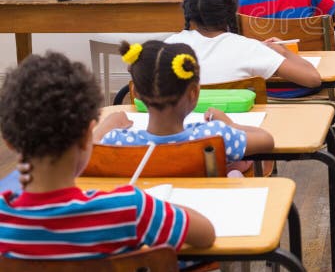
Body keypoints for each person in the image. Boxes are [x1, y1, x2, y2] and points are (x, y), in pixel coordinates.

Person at [0, 52, 215, 259]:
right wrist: (155, 205)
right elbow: (206, 234)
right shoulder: (130, 208)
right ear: (87, 135)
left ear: (9, 141)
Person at [95, 40, 274, 177]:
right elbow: (267, 140)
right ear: (194, 93)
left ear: (135, 93)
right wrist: (230, 124)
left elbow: (87, 151)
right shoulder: (216, 136)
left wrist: (105, 126)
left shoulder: (115, 141)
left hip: (148, 220)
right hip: (205, 216)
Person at [165, 0, 321, 91]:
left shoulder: (169, 46)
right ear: (232, 8)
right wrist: (284, 52)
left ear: (187, 7)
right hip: (237, 130)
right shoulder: (250, 49)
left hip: (184, 130)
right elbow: (313, 79)